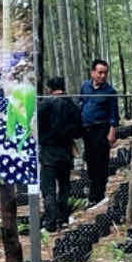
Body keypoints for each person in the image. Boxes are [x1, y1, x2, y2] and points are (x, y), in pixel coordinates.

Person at [38, 76, 81, 228]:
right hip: (66, 152)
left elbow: (35, 128)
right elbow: (78, 132)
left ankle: (51, 222)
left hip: (49, 152)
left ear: (49, 89)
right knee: (64, 186)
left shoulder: (43, 105)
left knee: (48, 188)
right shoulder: (73, 105)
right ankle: (62, 218)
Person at [80, 59, 120, 205]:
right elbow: (82, 104)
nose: (102, 76)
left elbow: (114, 114)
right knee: (90, 162)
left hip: (101, 130)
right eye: (100, 72)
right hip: (87, 130)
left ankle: (99, 195)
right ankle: (93, 195)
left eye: (105, 73)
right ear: (92, 72)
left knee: (101, 162)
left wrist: (112, 131)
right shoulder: (85, 87)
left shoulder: (110, 92)